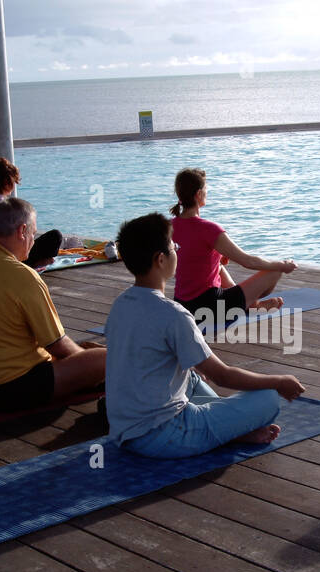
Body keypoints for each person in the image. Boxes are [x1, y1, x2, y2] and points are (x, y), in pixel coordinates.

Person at [105, 212, 305, 459]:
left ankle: (232, 429)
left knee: (190, 377)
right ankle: (232, 429)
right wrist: (278, 381)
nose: (177, 252)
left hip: (124, 430)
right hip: (166, 435)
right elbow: (222, 376)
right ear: (160, 259)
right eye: (173, 247)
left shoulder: (120, 305)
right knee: (269, 399)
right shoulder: (173, 314)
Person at [0, 197, 105, 410]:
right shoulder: (24, 276)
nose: (33, 241)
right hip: (5, 389)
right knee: (105, 359)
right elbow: (57, 344)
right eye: (33, 234)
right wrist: (89, 364)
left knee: (86, 350)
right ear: (22, 231)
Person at [169, 168, 296, 322]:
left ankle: (250, 304)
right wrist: (283, 265)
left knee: (219, 266)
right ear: (199, 194)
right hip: (211, 308)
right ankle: (249, 305)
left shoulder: (168, 227)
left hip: (183, 304)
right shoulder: (209, 229)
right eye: (206, 189)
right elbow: (248, 261)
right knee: (274, 270)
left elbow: (188, 254)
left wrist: (216, 258)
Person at [0, 157, 61, 265]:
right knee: (55, 236)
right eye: (14, 181)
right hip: (5, 260)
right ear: (7, 182)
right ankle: (41, 261)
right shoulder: (4, 207)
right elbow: (18, 240)